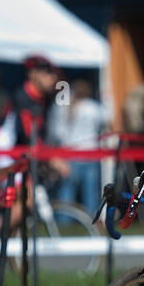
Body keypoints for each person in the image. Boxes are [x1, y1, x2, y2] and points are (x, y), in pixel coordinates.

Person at [0, 55, 64, 225]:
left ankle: (8, 240)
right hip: (2, 151)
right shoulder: (23, 98)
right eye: (48, 73)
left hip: (15, 152)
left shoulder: (42, 99)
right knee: (28, 198)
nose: (53, 78)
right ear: (33, 74)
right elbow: (28, 136)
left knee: (20, 203)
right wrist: (50, 159)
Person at [46, 79, 108, 210]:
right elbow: (108, 117)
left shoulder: (62, 107)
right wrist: (107, 96)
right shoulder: (93, 107)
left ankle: (65, 220)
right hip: (90, 154)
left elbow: (56, 133)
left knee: (67, 192)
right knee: (90, 193)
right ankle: (91, 220)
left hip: (70, 154)